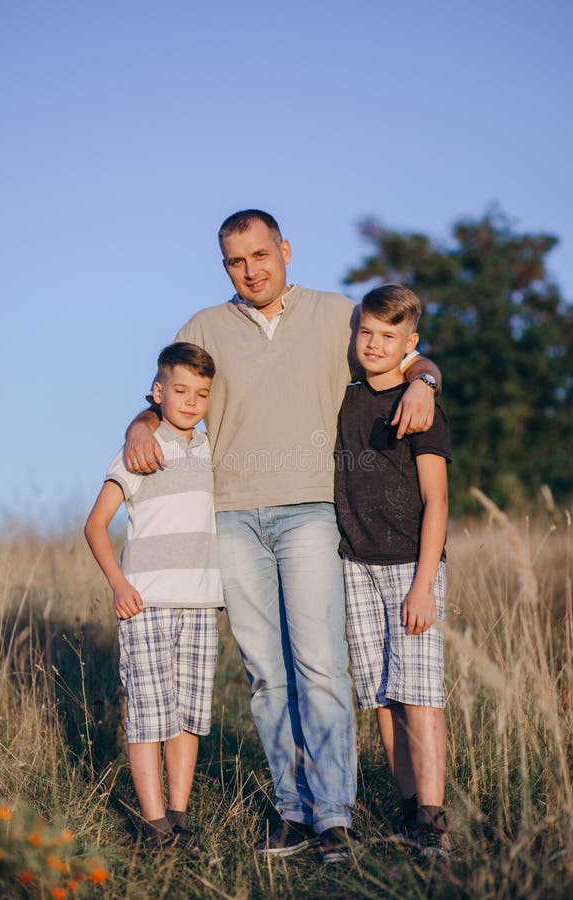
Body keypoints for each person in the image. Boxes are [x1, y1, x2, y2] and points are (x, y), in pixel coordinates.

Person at [124, 210, 441, 863]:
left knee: (320, 666)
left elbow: (403, 350)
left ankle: (334, 818)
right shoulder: (204, 325)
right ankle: (292, 813)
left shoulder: (335, 314)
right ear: (225, 266)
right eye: (237, 260)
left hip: (309, 514)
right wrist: (137, 423)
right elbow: (166, 393)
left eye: (262, 254)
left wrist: (428, 382)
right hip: (232, 517)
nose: (252, 269)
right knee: (267, 675)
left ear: (285, 251)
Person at [85, 342, 223, 852]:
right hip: (146, 605)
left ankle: (179, 820)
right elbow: (96, 525)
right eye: (180, 390)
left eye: (201, 394)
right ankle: (153, 825)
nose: (190, 402)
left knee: (187, 716)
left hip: (201, 604)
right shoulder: (139, 450)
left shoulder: (211, 449)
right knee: (148, 715)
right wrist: (120, 584)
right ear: (158, 391)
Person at [334, 284, 452, 857]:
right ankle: (408, 809)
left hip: (411, 565)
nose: (374, 344)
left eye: (388, 336)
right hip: (356, 563)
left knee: (420, 692)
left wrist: (425, 585)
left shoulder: (420, 403)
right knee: (382, 695)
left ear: (410, 344)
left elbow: (437, 500)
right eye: (367, 333)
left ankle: (433, 819)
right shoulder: (346, 399)